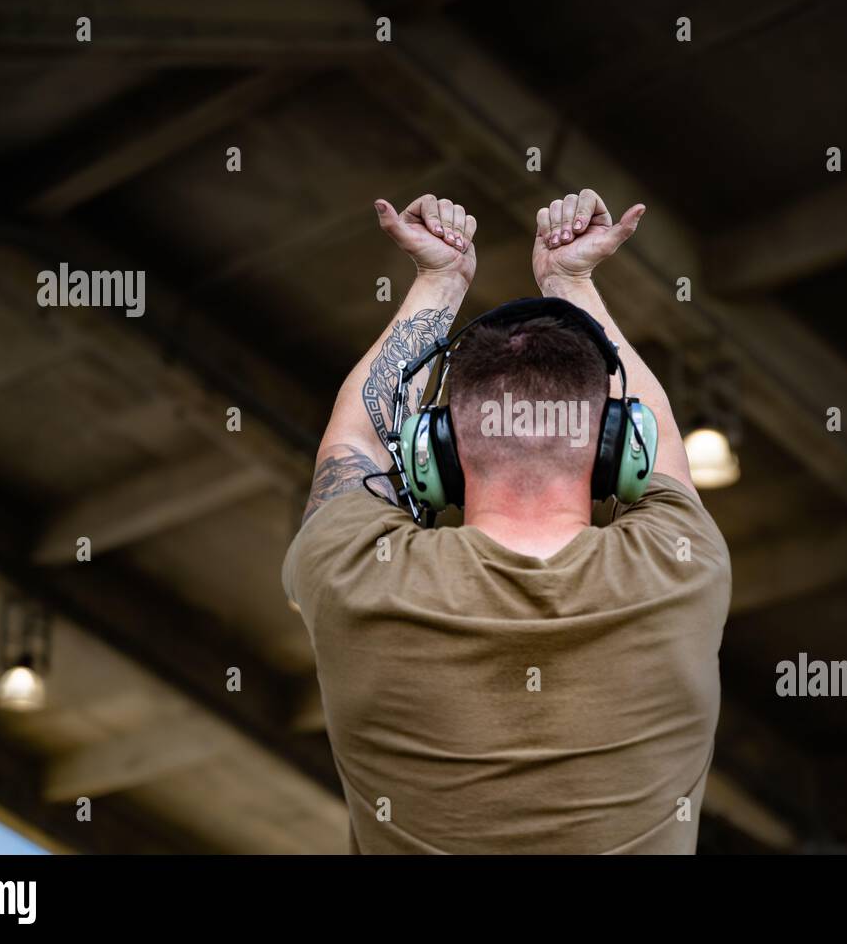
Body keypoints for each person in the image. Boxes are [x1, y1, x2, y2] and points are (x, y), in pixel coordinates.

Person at [282, 189, 731, 853]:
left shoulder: (353, 576)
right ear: (614, 447)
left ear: (434, 454)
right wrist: (568, 281)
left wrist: (440, 280)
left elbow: (354, 446)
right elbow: (656, 437)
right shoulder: (682, 566)